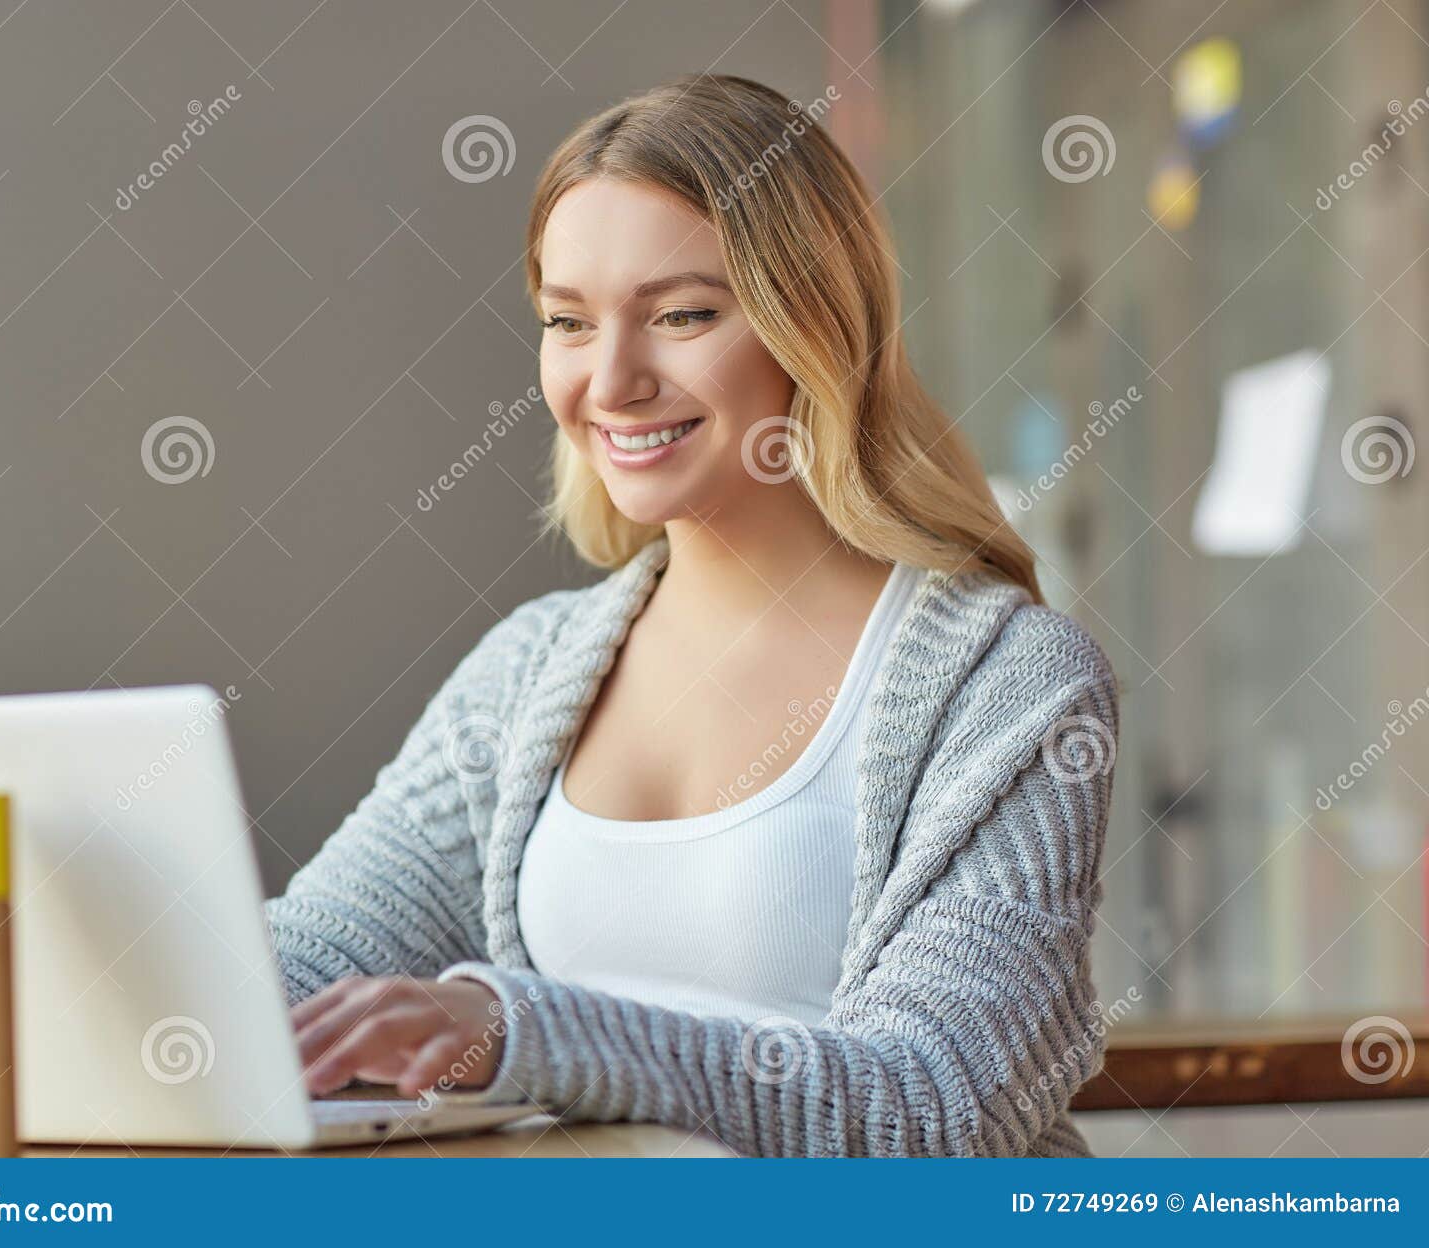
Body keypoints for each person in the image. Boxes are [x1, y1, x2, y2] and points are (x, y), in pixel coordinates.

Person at [265, 73, 1120, 1157]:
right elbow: (312, 960)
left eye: (680, 315)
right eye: (567, 323)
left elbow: (936, 1107)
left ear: (812, 325)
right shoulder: (524, 675)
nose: (611, 381)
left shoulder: (1007, 681)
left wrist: (518, 1030)